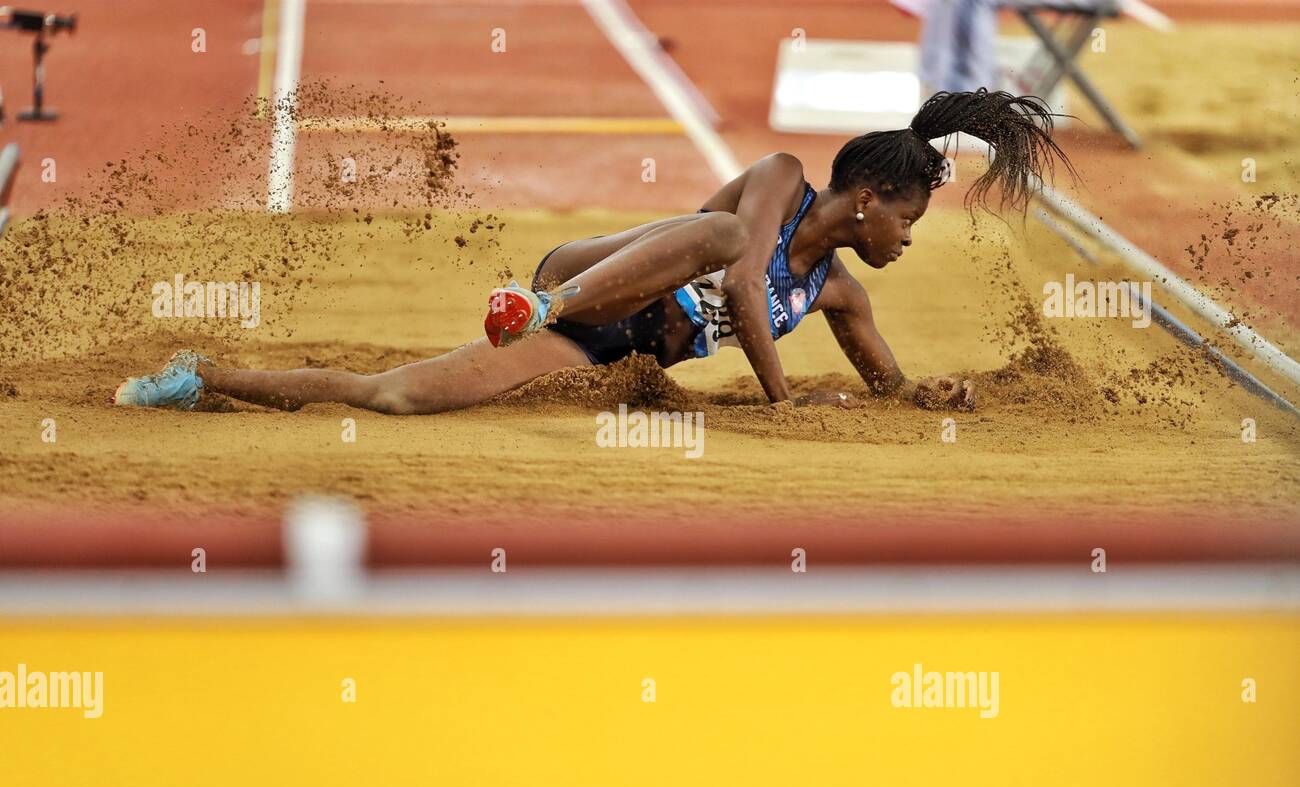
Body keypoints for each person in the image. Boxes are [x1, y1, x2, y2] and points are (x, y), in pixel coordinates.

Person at [113, 89, 1070, 416]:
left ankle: (204, 376)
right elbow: (739, 279)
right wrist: (782, 402)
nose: (907, 243)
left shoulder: (841, 297)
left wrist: (923, 398)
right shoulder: (778, 180)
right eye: (908, 224)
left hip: (611, 350)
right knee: (730, 234)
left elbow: (885, 392)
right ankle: (539, 311)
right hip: (578, 286)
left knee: (398, 396)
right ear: (869, 202)